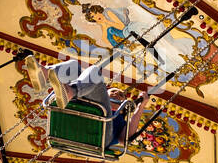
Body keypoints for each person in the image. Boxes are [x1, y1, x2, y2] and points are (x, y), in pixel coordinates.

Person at [25, 55, 156, 150]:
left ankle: (71, 91)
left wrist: (141, 106)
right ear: (104, 92)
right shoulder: (90, 98)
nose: (117, 94)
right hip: (77, 116)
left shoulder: (119, 119)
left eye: (121, 95)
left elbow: (124, 139)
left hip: (100, 136)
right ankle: (45, 74)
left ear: (123, 108)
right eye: (114, 91)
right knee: (74, 66)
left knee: (94, 71)